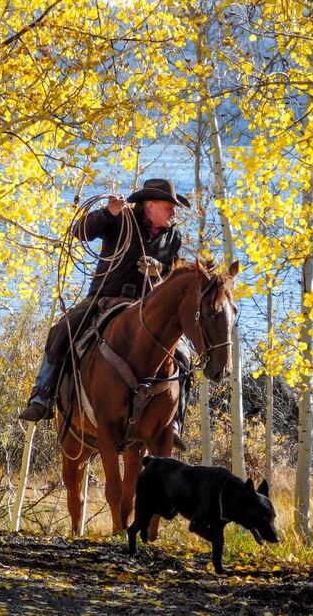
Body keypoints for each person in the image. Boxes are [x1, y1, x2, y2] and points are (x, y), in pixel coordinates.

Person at [18, 178, 193, 449]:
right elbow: (80, 231)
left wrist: (159, 269)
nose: (173, 211)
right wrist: (107, 213)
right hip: (105, 297)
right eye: (168, 206)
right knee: (62, 330)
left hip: (147, 305)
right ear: (149, 206)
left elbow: (173, 272)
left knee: (184, 353)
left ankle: (175, 420)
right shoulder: (120, 218)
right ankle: (43, 395)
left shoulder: (174, 237)